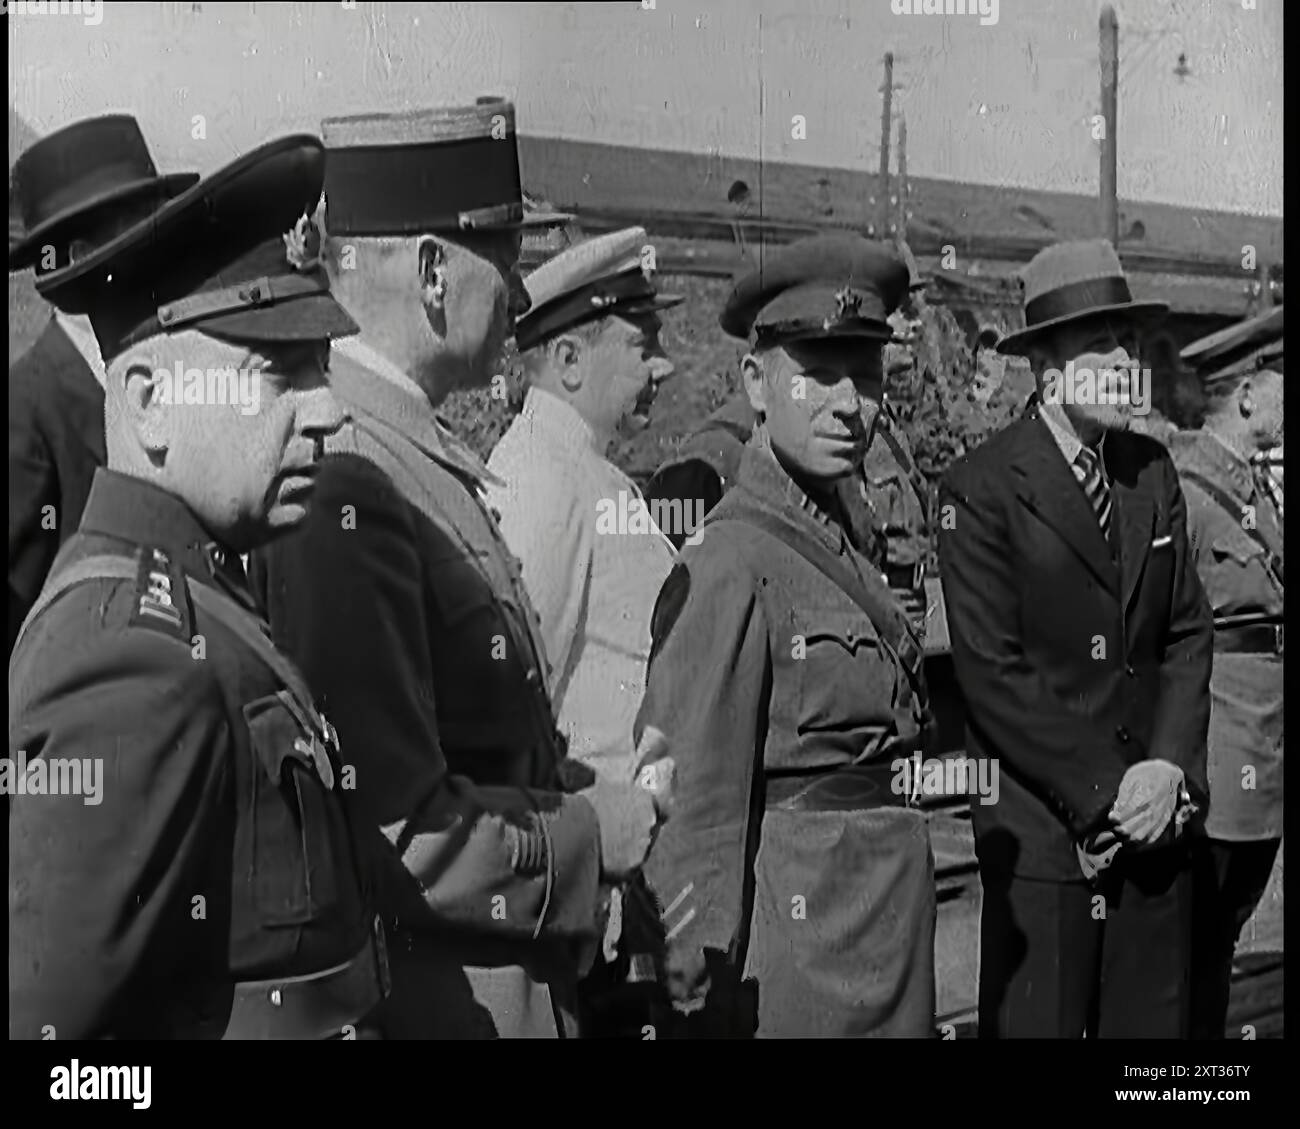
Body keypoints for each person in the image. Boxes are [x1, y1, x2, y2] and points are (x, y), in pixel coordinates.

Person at [248, 99, 668, 1039]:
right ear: (434, 272)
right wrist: (590, 836)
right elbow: (397, 827)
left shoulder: (408, 449)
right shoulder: (353, 469)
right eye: (504, 256)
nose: (518, 291)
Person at [9, 133, 388, 1039]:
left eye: (323, 366)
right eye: (278, 371)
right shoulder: (134, 661)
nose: (329, 409)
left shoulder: (201, 592)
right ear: (148, 402)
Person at [633, 234, 938, 1037]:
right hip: (803, 955)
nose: (848, 403)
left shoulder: (849, 534)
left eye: (864, 374)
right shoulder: (729, 560)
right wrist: (690, 988)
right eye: (818, 374)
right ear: (755, 385)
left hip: (889, 927)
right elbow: (692, 807)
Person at [938, 239, 1213, 1039]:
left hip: (1157, 828)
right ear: (1048, 370)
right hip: (1046, 842)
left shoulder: (1150, 472)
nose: (1127, 362)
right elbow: (993, 672)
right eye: (1103, 345)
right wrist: (1108, 791)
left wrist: (1167, 770)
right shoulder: (982, 488)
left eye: (1129, 342)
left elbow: (1186, 632)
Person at [486, 226, 681, 782]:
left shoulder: (582, 468)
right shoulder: (540, 477)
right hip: (594, 822)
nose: (664, 366)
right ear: (569, 359)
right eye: (643, 346)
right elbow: (513, 701)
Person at [9, 114, 198, 653]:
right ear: (82, 259)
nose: (166, 253)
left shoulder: (162, 370)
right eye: (143, 232)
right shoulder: (25, 409)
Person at [1169, 307, 1283, 1039]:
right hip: (1220, 747)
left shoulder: (1251, 489)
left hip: (1263, 746)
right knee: (1198, 941)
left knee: (1224, 929)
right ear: (1246, 396)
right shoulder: (1185, 489)